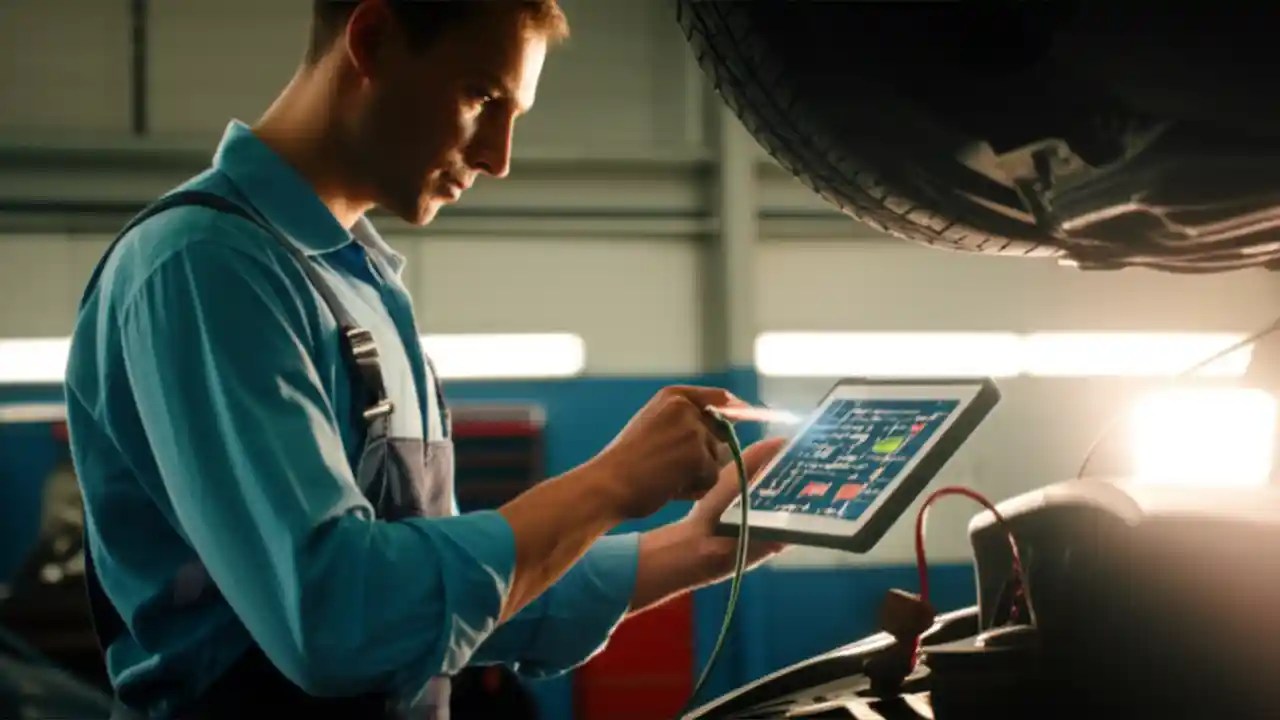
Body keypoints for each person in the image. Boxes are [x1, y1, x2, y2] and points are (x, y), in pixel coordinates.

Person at [63, 1, 787, 718]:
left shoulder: (360, 286)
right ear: (373, 42)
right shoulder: (206, 267)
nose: (498, 158)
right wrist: (609, 485)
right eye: (481, 97)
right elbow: (336, 620)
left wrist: (695, 548)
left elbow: (443, 600)